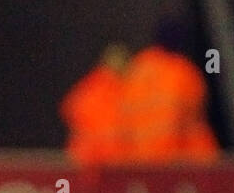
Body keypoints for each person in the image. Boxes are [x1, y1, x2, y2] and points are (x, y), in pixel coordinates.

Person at [119, 18, 220, 163]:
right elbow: (194, 115)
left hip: (140, 160)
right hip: (179, 161)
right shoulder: (183, 72)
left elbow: (123, 117)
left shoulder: (137, 69)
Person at [60, 42, 129, 166]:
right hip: (104, 160)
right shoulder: (120, 89)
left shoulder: (90, 85)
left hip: (86, 160)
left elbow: (69, 109)